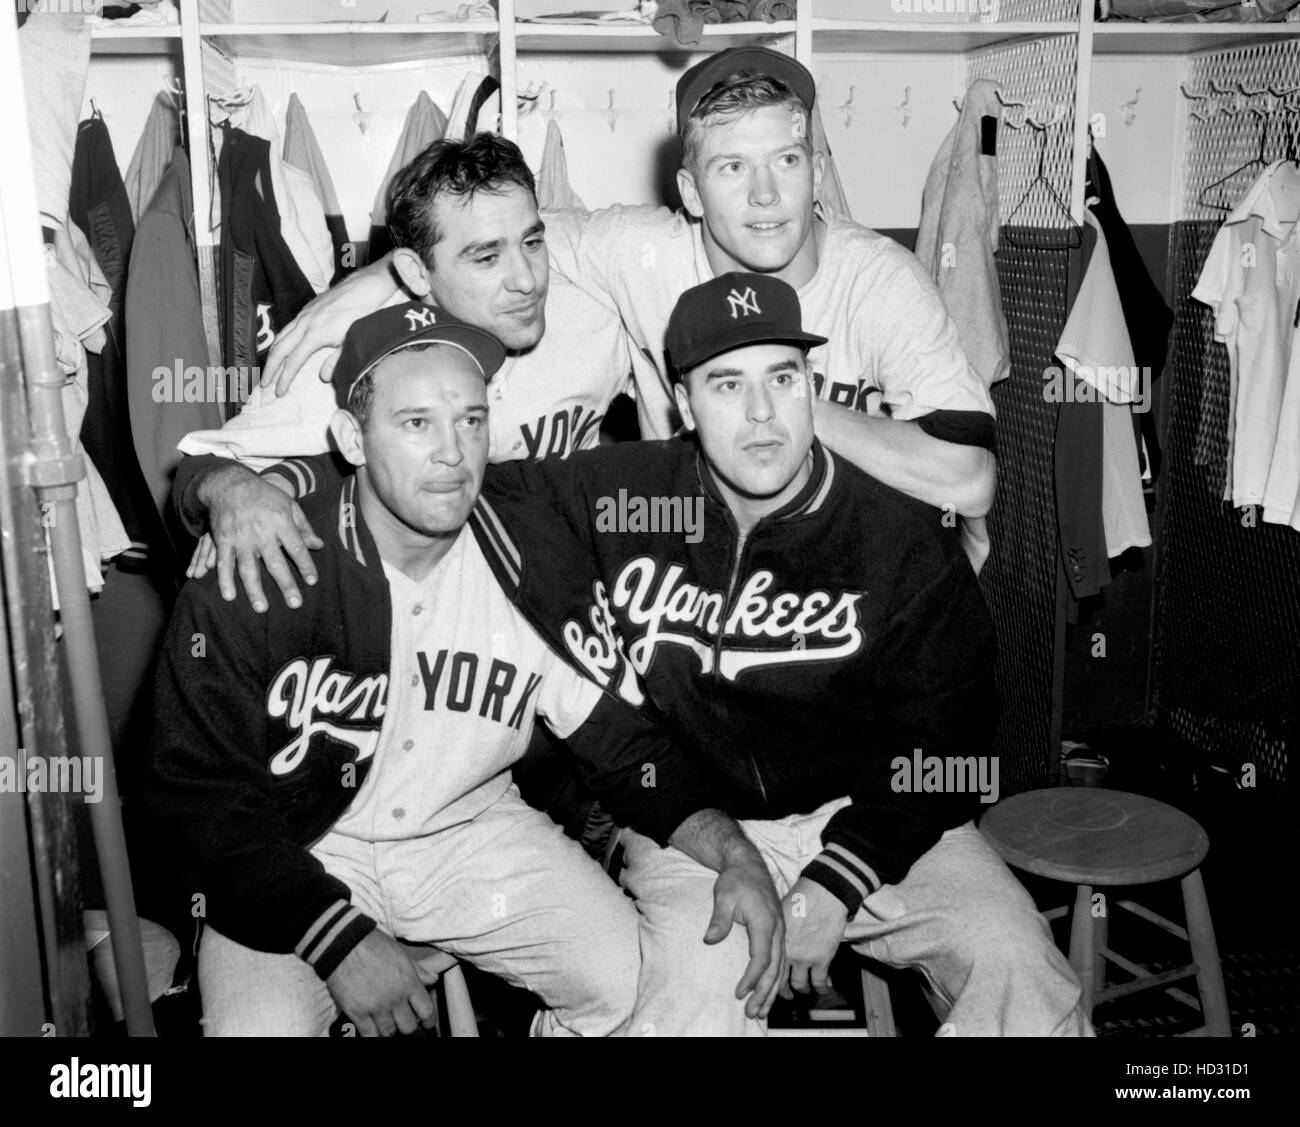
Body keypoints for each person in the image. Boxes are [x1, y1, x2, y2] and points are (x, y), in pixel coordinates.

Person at [144, 303, 784, 1037]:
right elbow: (194, 793)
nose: (453, 452)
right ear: (352, 437)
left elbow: (627, 750)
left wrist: (733, 851)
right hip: (293, 853)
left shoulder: (534, 555)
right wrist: (333, 935)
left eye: (471, 421)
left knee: (649, 993)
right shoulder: (260, 551)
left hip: (469, 836)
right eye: (416, 423)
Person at [484, 272, 1089, 1036]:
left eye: (783, 377)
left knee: (1017, 964)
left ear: (812, 386)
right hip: (694, 825)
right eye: (727, 383)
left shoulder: (894, 532)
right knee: (701, 993)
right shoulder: (626, 496)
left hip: (876, 815)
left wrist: (841, 876)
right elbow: (457, 487)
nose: (762, 412)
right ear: (682, 401)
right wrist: (288, 484)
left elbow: (960, 751)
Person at [263, 47, 998, 572]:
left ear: (818, 171)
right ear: (688, 191)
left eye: (788, 160)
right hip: (714, 574)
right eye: (732, 168)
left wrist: (778, 402)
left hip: (871, 577)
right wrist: (369, 285)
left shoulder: (882, 282)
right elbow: (489, 233)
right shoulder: (642, 251)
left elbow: (969, 479)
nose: (767, 196)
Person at [170, 132, 672, 615]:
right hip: (428, 621)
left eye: (532, 243)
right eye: (487, 257)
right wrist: (235, 493)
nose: (526, 280)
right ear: (414, 272)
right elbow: (202, 466)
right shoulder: (353, 354)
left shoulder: (594, 312)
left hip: (560, 603)